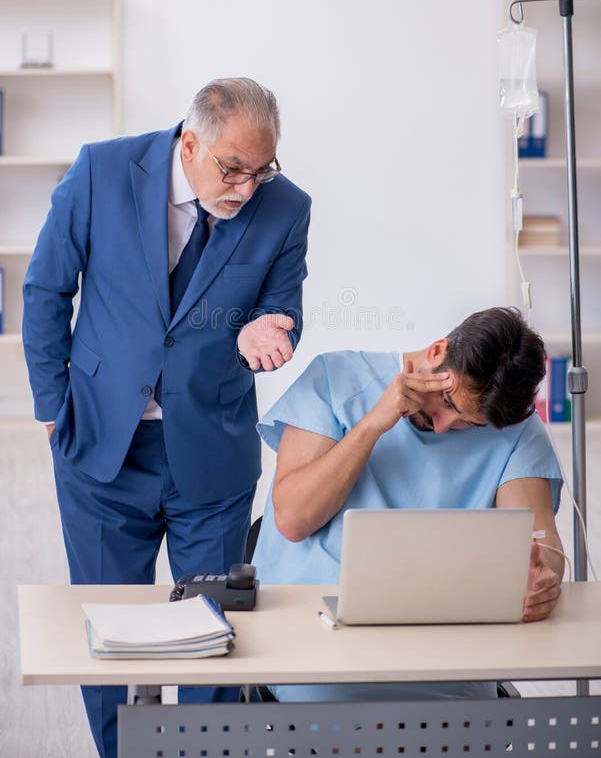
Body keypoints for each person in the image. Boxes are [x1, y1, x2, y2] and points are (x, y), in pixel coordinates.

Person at [22, 77, 311, 757]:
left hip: (211, 451)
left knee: (214, 634)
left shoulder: (287, 207)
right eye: (232, 169)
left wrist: (270, 326)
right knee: (109, 631)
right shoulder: (103, 171)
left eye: (261, 170)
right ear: (189, 144)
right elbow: (45, 289)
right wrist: (52, 407)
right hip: (101, 445)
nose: (246, 187)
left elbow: (282, 304)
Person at [252, 306, 564, 702]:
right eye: (447, 400)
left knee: (475, 714)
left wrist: (543, 578)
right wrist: (374, 424)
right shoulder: (336, 379)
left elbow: (540, 540)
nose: (443, 426)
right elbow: (293, 520)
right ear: (437, 351)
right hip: (316, 645)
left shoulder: (513, 426)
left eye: (469, 423)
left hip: (450, 657)